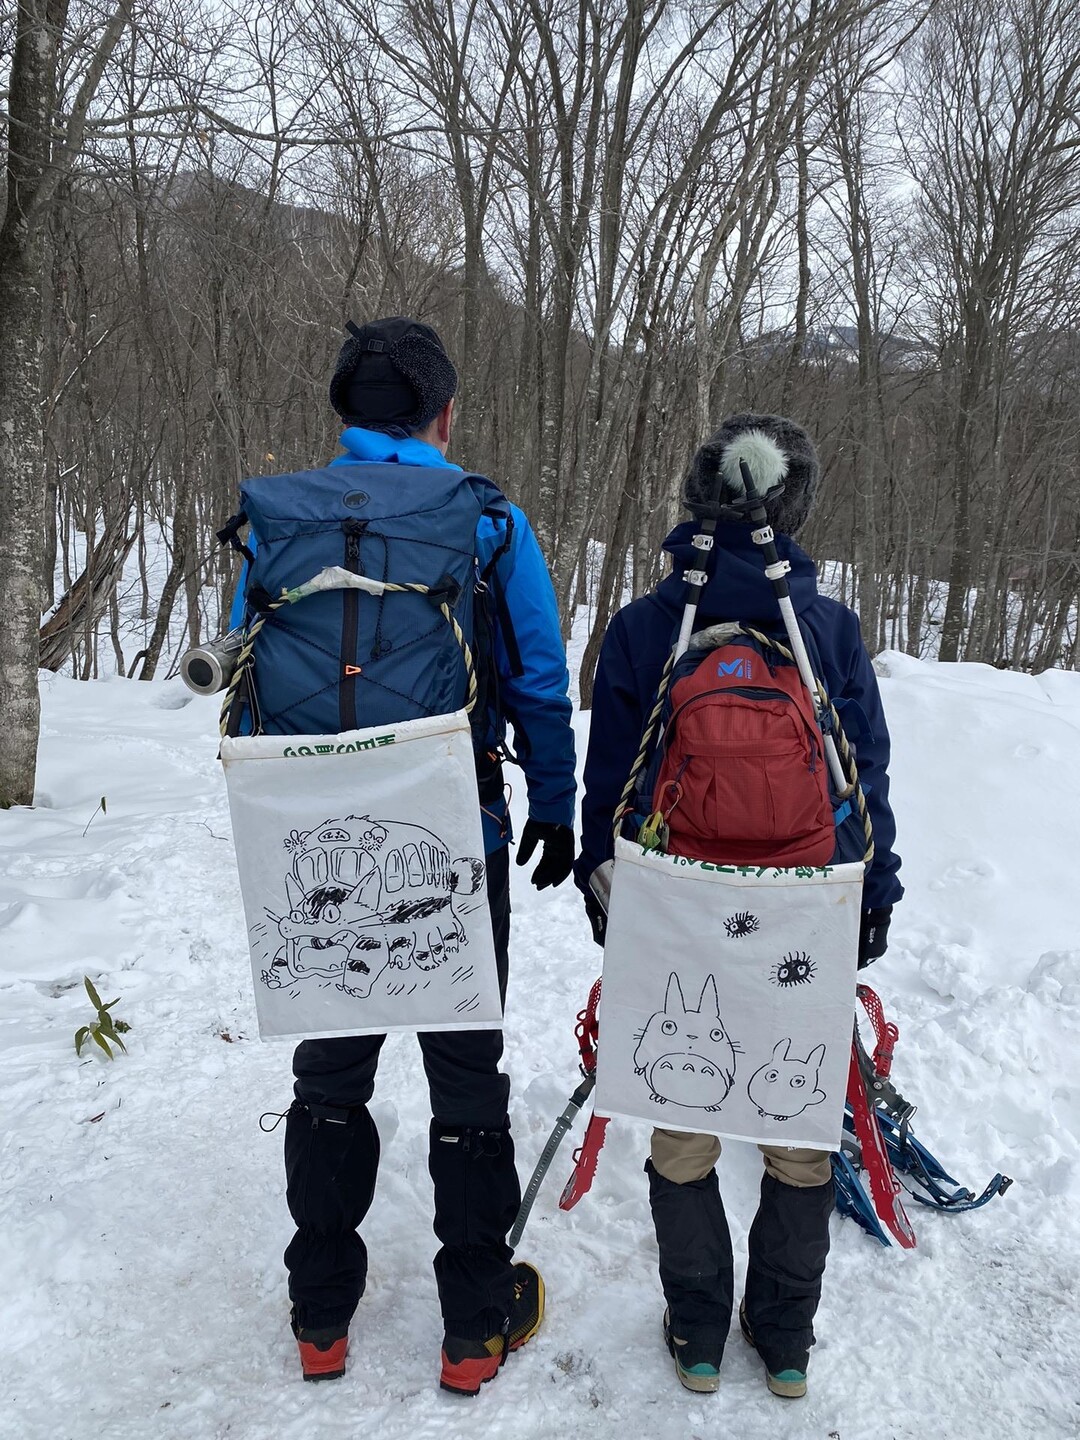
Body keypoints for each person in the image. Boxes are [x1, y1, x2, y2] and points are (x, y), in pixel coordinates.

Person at [237, 317, 577, 1394]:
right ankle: (474, 1331)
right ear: (443, 414)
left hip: (310, 844)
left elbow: (247, 682)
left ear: (343, 415)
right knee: (466, 1081)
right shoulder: (484, 519)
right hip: (451, 839)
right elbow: (537, 678)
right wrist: (558, 808)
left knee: (329, 1075)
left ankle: (319, 1321)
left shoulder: (275, 522)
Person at [574, 413, 902, 1399]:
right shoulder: (828, 631)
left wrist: (608, 895)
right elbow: (867, 780)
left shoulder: (644, 627)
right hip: (803, 908)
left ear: (693, 496)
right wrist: (874, 900)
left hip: (677, 910)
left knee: (684, 1119)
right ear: (794, 507)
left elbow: (611, 782)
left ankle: (700, 1331)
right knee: (796, 1123)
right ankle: (787, 1339)